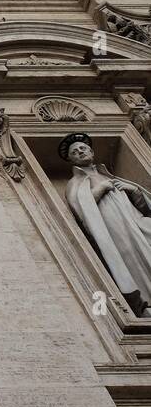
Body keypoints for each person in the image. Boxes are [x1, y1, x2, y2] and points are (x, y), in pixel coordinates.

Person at [61, 132, 151, 316]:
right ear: (71, 160)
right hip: (113, 228)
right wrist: (100, 190)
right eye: (74, 151)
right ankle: (145, 303)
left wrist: (134, 191)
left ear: (92, 152)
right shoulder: (75, 182)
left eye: (83, 148)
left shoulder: (107, 174)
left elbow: (144, 207)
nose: (79, 151)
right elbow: (81, 212)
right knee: (131, 258)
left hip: (135, 221)